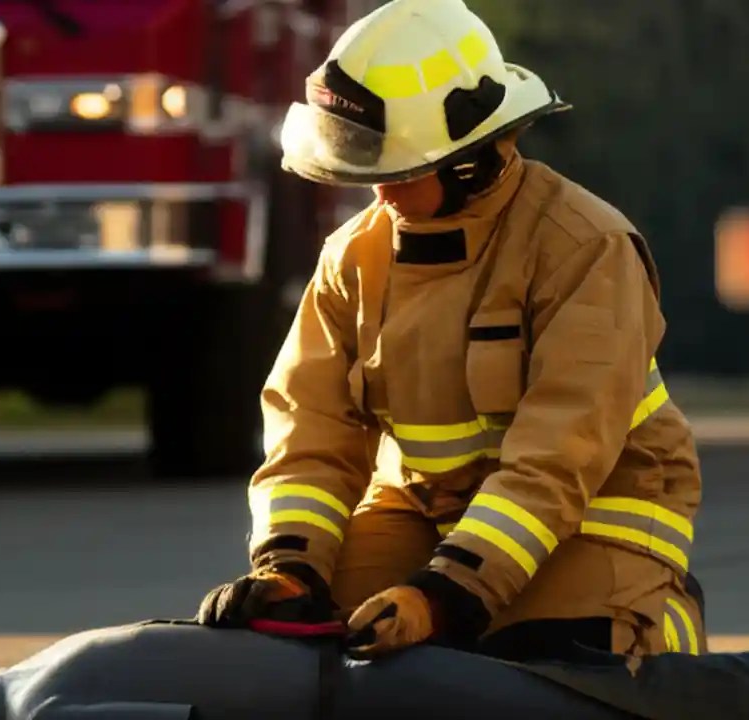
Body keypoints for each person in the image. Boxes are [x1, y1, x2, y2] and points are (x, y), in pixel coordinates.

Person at [196, 0, 706, 662]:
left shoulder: (585, 246)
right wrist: (291, 566)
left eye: (398, 170)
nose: (377, 195)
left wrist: (444, 597)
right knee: (311, 646)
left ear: (471, 161)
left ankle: (658, 625)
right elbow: (310, 430)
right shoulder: (353, 257)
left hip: (595, 511)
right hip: (424, 509)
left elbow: (560, 452)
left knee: (543, 664)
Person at [0, 619, 749, 720]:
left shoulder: (30, 685)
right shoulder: (41, 713)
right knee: (647, 706)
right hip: (397, 692)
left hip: (387, 665)